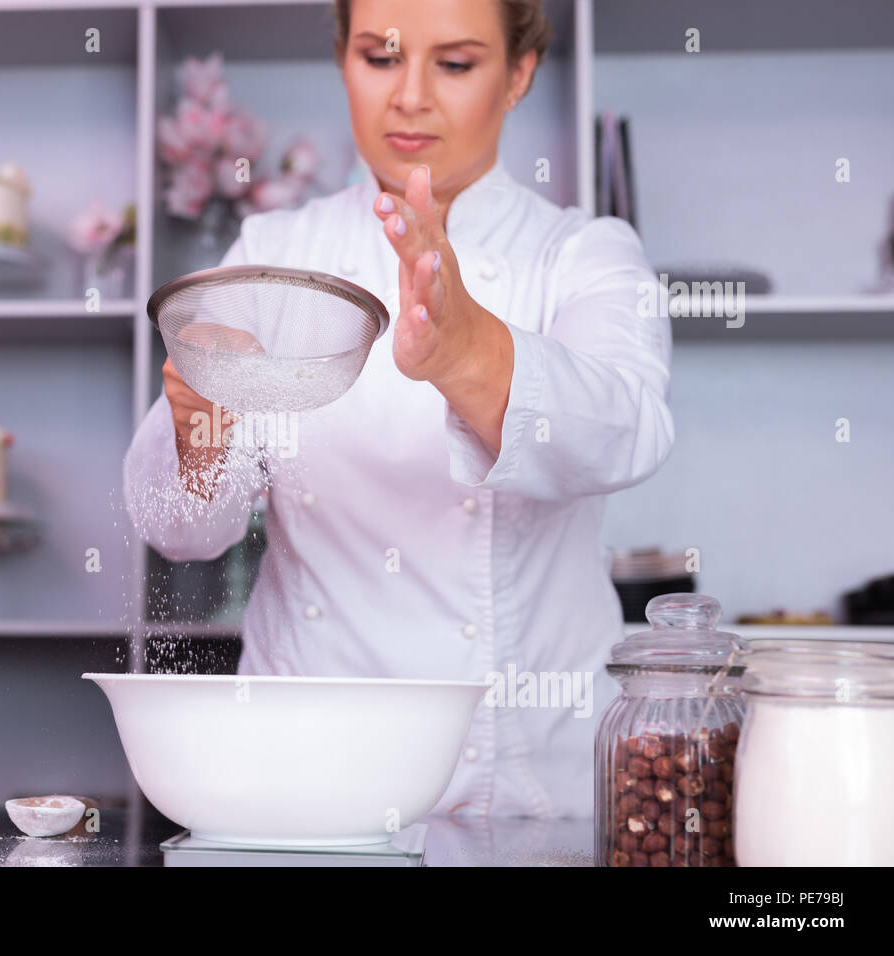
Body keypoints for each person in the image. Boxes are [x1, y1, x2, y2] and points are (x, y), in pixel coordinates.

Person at [124, 0, 674, 818]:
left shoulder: (583, 252)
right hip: (305, 775)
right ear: (342, 57)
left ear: (518, 73)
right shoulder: (277, 254)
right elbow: (182, 529)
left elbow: (626, 433)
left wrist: (466, 351)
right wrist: (203, 418)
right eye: (380, 58)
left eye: (454, 64)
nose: (410, 95)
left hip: (524, 791)